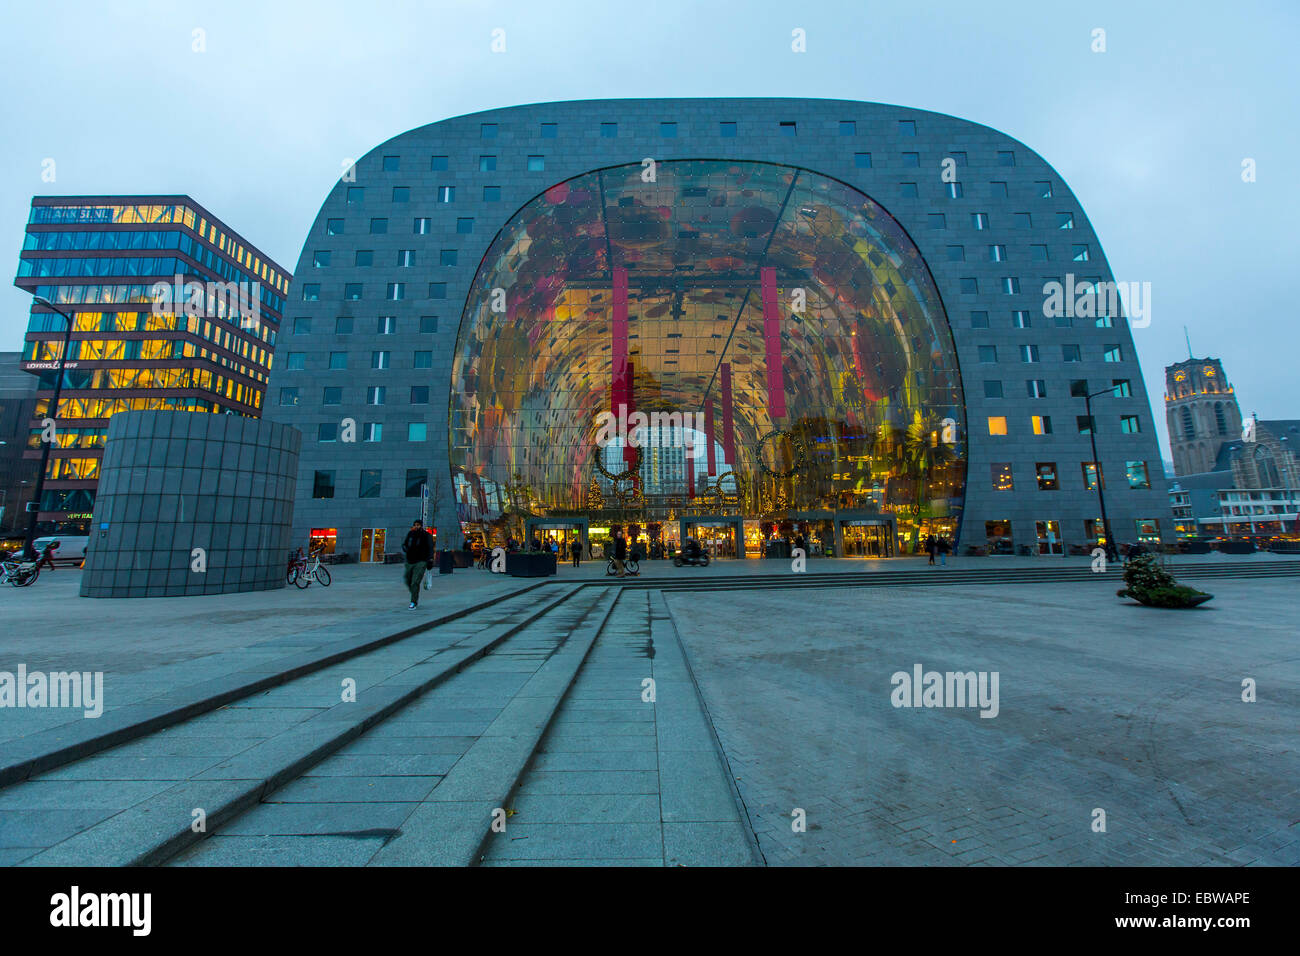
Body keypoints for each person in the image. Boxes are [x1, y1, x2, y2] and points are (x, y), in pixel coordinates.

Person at [401, 519, 435, 609]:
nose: (416, 526)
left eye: (418, 525)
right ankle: (414, 593)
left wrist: (430, 559)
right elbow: (405, 544)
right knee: (407, 579)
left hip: (421, 561)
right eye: (415, 525)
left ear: (421, 526)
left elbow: (430, 548)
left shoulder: (426, 535)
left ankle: (413, 601)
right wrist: (406, 550)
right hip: (410, 560)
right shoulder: (410, 534)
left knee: (415, 581)